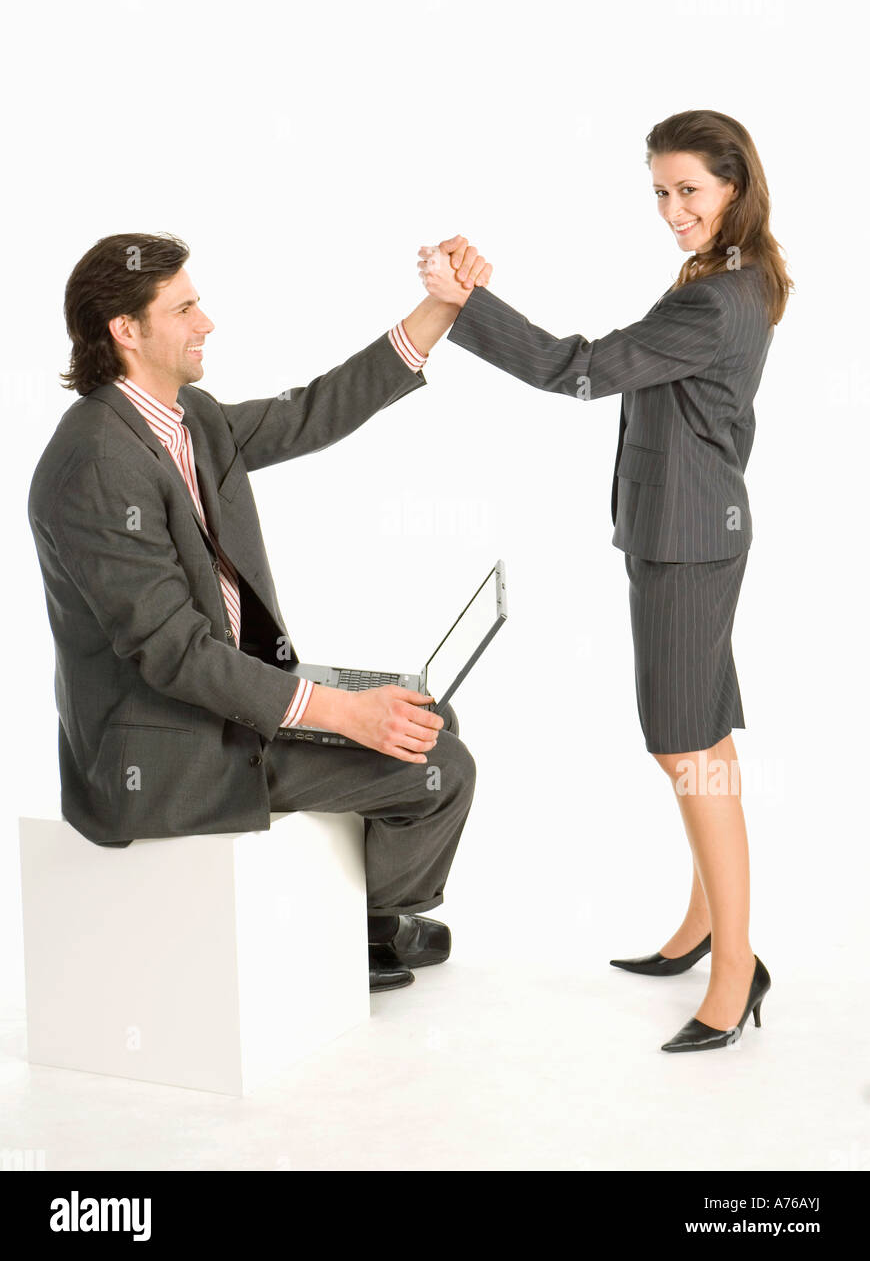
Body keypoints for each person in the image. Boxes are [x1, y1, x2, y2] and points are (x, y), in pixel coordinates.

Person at [28, 232, 492, 993]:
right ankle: (358, 927)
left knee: (426, 715)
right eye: (183, 308)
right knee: (441, 766)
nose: (206, 321)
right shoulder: (96, 464)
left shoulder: (187, 419)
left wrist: (439, 307)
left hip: (224, 695)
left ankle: (363, 913)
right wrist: (341, 714)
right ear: (126, 329)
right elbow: (172, 651)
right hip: (171, 745)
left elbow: (314, 411)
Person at [419, 109, 793, 1052]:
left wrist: (466, 306)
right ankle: (709, 927)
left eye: (689, 192)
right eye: (661, 194)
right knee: (700, 735)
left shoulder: (713, 298)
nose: (672, 210)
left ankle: (737, 969)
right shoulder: (729, 278)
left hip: (687, 540)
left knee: (684, 746)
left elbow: (580, 372)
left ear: (734, 187)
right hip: (695, 528)